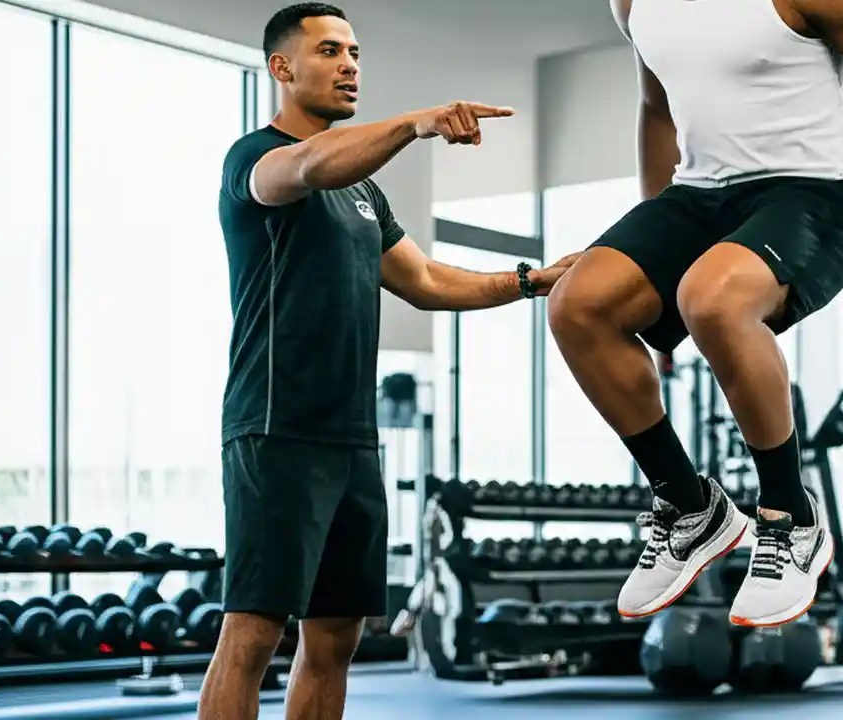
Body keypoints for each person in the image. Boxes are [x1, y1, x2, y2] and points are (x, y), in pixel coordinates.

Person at [548, 0, 843, 628]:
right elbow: (657, 107)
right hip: (696, 196)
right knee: (579, 304)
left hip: (814, 196)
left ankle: (790, 517)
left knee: (711, 297)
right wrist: (648, 268)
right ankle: (689, 507)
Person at [202, 4, 577, 718]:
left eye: (355, 52)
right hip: (276, 430)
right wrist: (415, 123)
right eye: (330, 50)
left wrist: (533, 280)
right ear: (282, 67)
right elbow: (308, 164)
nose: (349, 65)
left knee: (335, 636)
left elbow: (429, 281)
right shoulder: (253, 160)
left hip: (352, 439)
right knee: (253, 631)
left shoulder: (363, 191)